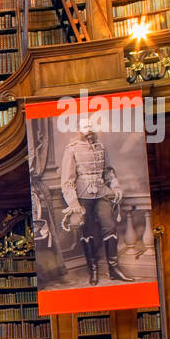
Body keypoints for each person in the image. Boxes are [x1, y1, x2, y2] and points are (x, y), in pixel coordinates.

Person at [59, 115, 134, 285]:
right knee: (88, 231)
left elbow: (108, 172)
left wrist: (115, 187)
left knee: (110, 226)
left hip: (101, 192)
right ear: (79, 130)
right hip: (82, 196)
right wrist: (73, 203)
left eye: (91, 126)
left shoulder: (101, 147)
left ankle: (114, 270)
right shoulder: (72, 149)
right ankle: (93, 270)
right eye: (85, 127)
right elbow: (67, 180)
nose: (89, 130)